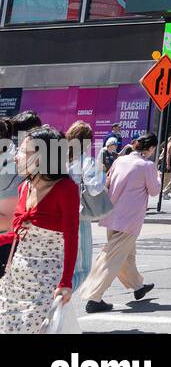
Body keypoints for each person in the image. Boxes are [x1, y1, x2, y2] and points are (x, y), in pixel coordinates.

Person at [0, 126, 80, 333]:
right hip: (14, 278)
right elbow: (20, 235)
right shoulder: (24, 187)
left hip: (45, 282)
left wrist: (65, 282)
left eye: (24, 152)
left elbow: (72, 237)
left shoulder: (65, 189)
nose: (17, 156)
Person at [82, 133, 160, 313]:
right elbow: (154, 191)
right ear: (150, 148)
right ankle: (95, 297)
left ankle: (138, 286)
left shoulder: (120, 161)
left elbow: (108, 181)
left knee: (126, 255)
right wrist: (158, 177)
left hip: (111, 214)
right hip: (130, 218)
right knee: (113, 257)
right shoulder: (147, 165)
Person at [65, 121, 103, 292]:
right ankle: (58, 298)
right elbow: (94, 189)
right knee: (83, 268)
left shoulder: (59, 158)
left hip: (59, 213)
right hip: (79, 215)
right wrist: (102, 176)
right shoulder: (87, 161)